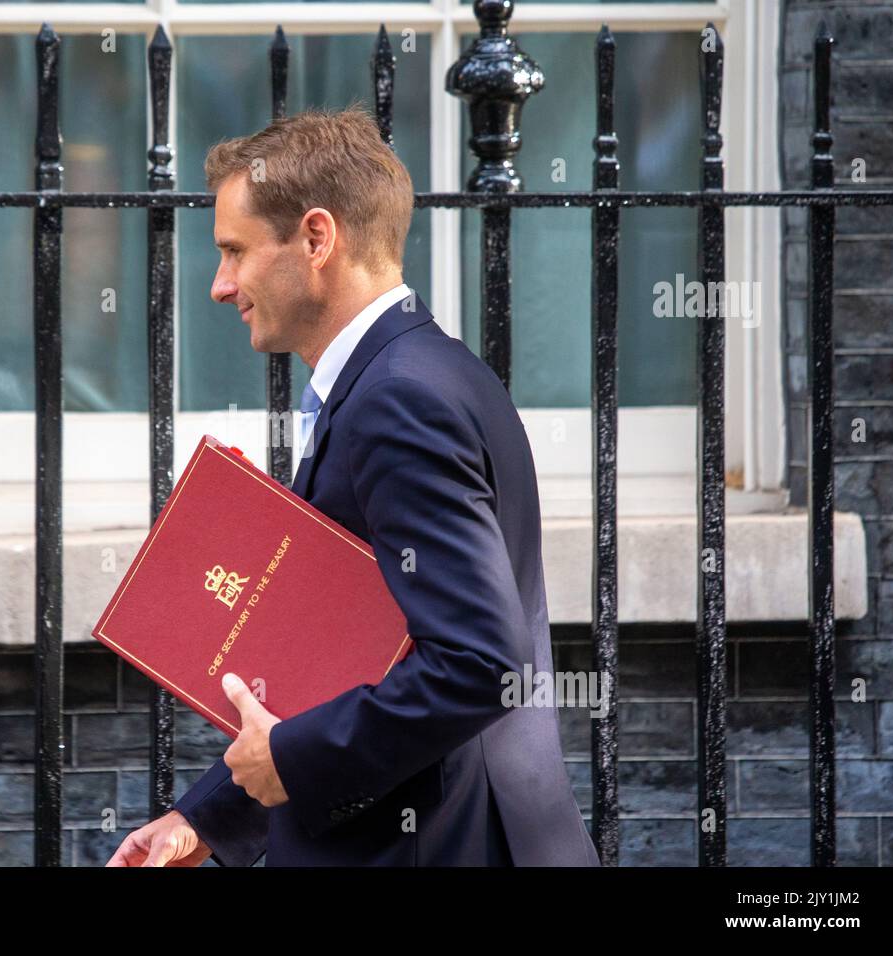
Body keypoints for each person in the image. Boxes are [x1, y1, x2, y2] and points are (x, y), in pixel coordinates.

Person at [106, 105, 600, 867]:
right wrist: (209, 817)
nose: (220, 284)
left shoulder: (398, 398)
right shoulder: (423, 371)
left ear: (315, 237)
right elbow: (354, 658)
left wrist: (294, 760)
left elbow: (479, 663)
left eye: (235, 252)